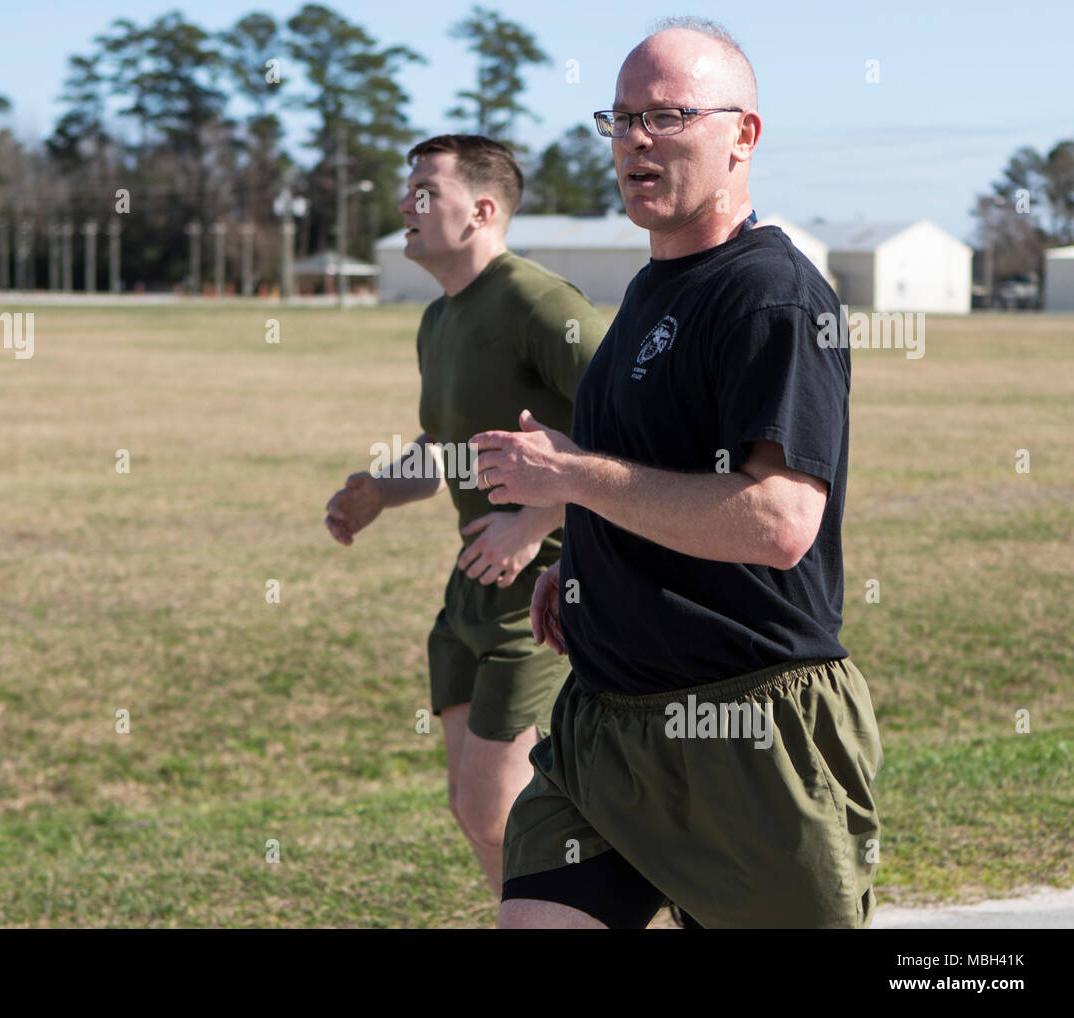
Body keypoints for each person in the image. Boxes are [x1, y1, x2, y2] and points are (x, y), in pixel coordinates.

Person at [468, 19, 883, 928]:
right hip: (605, 729)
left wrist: (574, 480)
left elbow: (777, 523)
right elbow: (655, 467)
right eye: (620, 120)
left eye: (667, 116)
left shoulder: (771, 296)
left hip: (745, 731)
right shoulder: (656, 285)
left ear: (744, 134)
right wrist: (584, 563)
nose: (636, 141)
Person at [324, 134, 608, 896]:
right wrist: (382, 491)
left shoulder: (541, 303)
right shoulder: (439, 319)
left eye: (424, 190)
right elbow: (450, 448)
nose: (403, 204)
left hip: (555, 591)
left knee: (498, 806)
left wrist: (542, 516)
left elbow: (637, 431)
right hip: (472, 589)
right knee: (474, 810)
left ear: (482, 210)